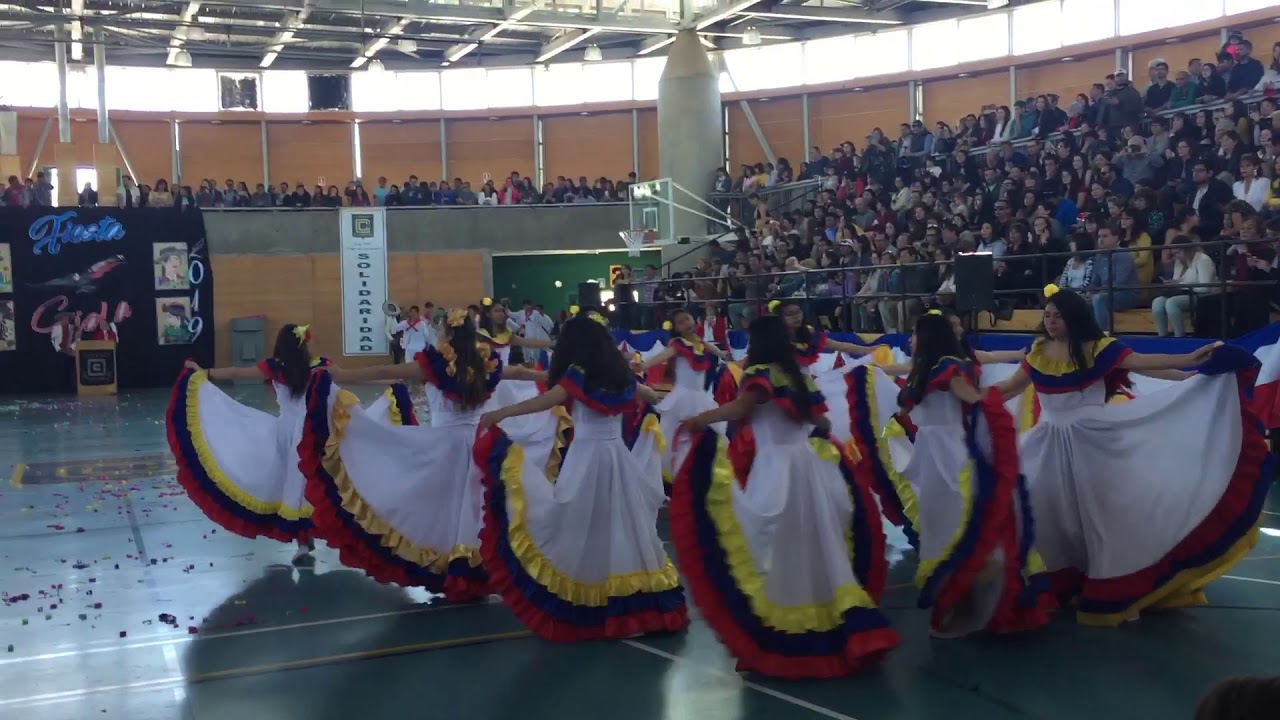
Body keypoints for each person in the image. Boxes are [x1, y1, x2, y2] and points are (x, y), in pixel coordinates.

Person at [994, 285, 1268, 626]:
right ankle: (1060, 580)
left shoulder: (1098, 348)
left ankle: (1114, 583)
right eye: (1047, 315)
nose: (1050, 322)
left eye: (1058, 316)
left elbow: (1143, 363)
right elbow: (1010, 387)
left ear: (1073, 317)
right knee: (1049, 512)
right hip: (1047, 444)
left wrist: (1189, 363)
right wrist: (974, 398)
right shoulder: (1037, 351)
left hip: (1094, 444)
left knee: (1102, 515)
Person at [669, 314, 900, 678]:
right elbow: (821, 422)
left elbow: (742, 409)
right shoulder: (797, 374)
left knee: (767, 541)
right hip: (808, 465)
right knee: (814, 541)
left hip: (777, 468)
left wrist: (700, 420)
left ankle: (786, 623)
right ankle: (833, 619)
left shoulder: (761, 373)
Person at [296, 310, 546, 598]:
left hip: (444, 447)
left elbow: (386, 372)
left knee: (438, 509)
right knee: (476, 510)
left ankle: (450, 565)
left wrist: (344, 375)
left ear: (448, 335)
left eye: (440, 329)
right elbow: (517, 372)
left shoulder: (435, 365)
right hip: (481, 445)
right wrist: (548, 376)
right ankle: (475, 566)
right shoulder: (484, 363)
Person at [475, 311, 687, 641]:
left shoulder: (578, 375)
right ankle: (639, 604)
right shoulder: (619, 374)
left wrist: (503, 412)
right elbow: (651, 397)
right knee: (624, 525)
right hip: (617, 457)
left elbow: (547, 400)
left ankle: (593, 591)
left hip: (587, 457)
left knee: (576, 521)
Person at [168, 324, 416, 564]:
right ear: (303, 344)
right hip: (315, 431)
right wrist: (388, 382)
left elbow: (236, 372)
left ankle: (304, 542)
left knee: (294, 486)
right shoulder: (319, 366)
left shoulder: (276, 367)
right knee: (321, 483)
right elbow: (352, 379)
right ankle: (332, 534)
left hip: (286, 434)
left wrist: (205, 372)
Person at [875, 311, 1052, 638]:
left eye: (914, 333)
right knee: (945, 530)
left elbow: (975, 400)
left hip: (951, 456)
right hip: (933, 455)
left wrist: (998, 400)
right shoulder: (926, 369)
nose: (910, 339)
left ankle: (974, 607)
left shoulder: (949, 367)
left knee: (961, 530)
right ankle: (963, 605)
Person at [637, 309, 737, 480]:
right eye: (681, 322)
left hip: (700, 396)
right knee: (676, 430)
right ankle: (678, 468)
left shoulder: (698, 341)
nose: (686, 323)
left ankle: (703, 466)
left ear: (694, 319)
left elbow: (709, 346)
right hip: (683, 396)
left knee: (706, 429)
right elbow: (663, 355)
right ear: (676, 328)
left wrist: (721, 354)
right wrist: (644, 366)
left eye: (688, 319)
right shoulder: (678, 344)